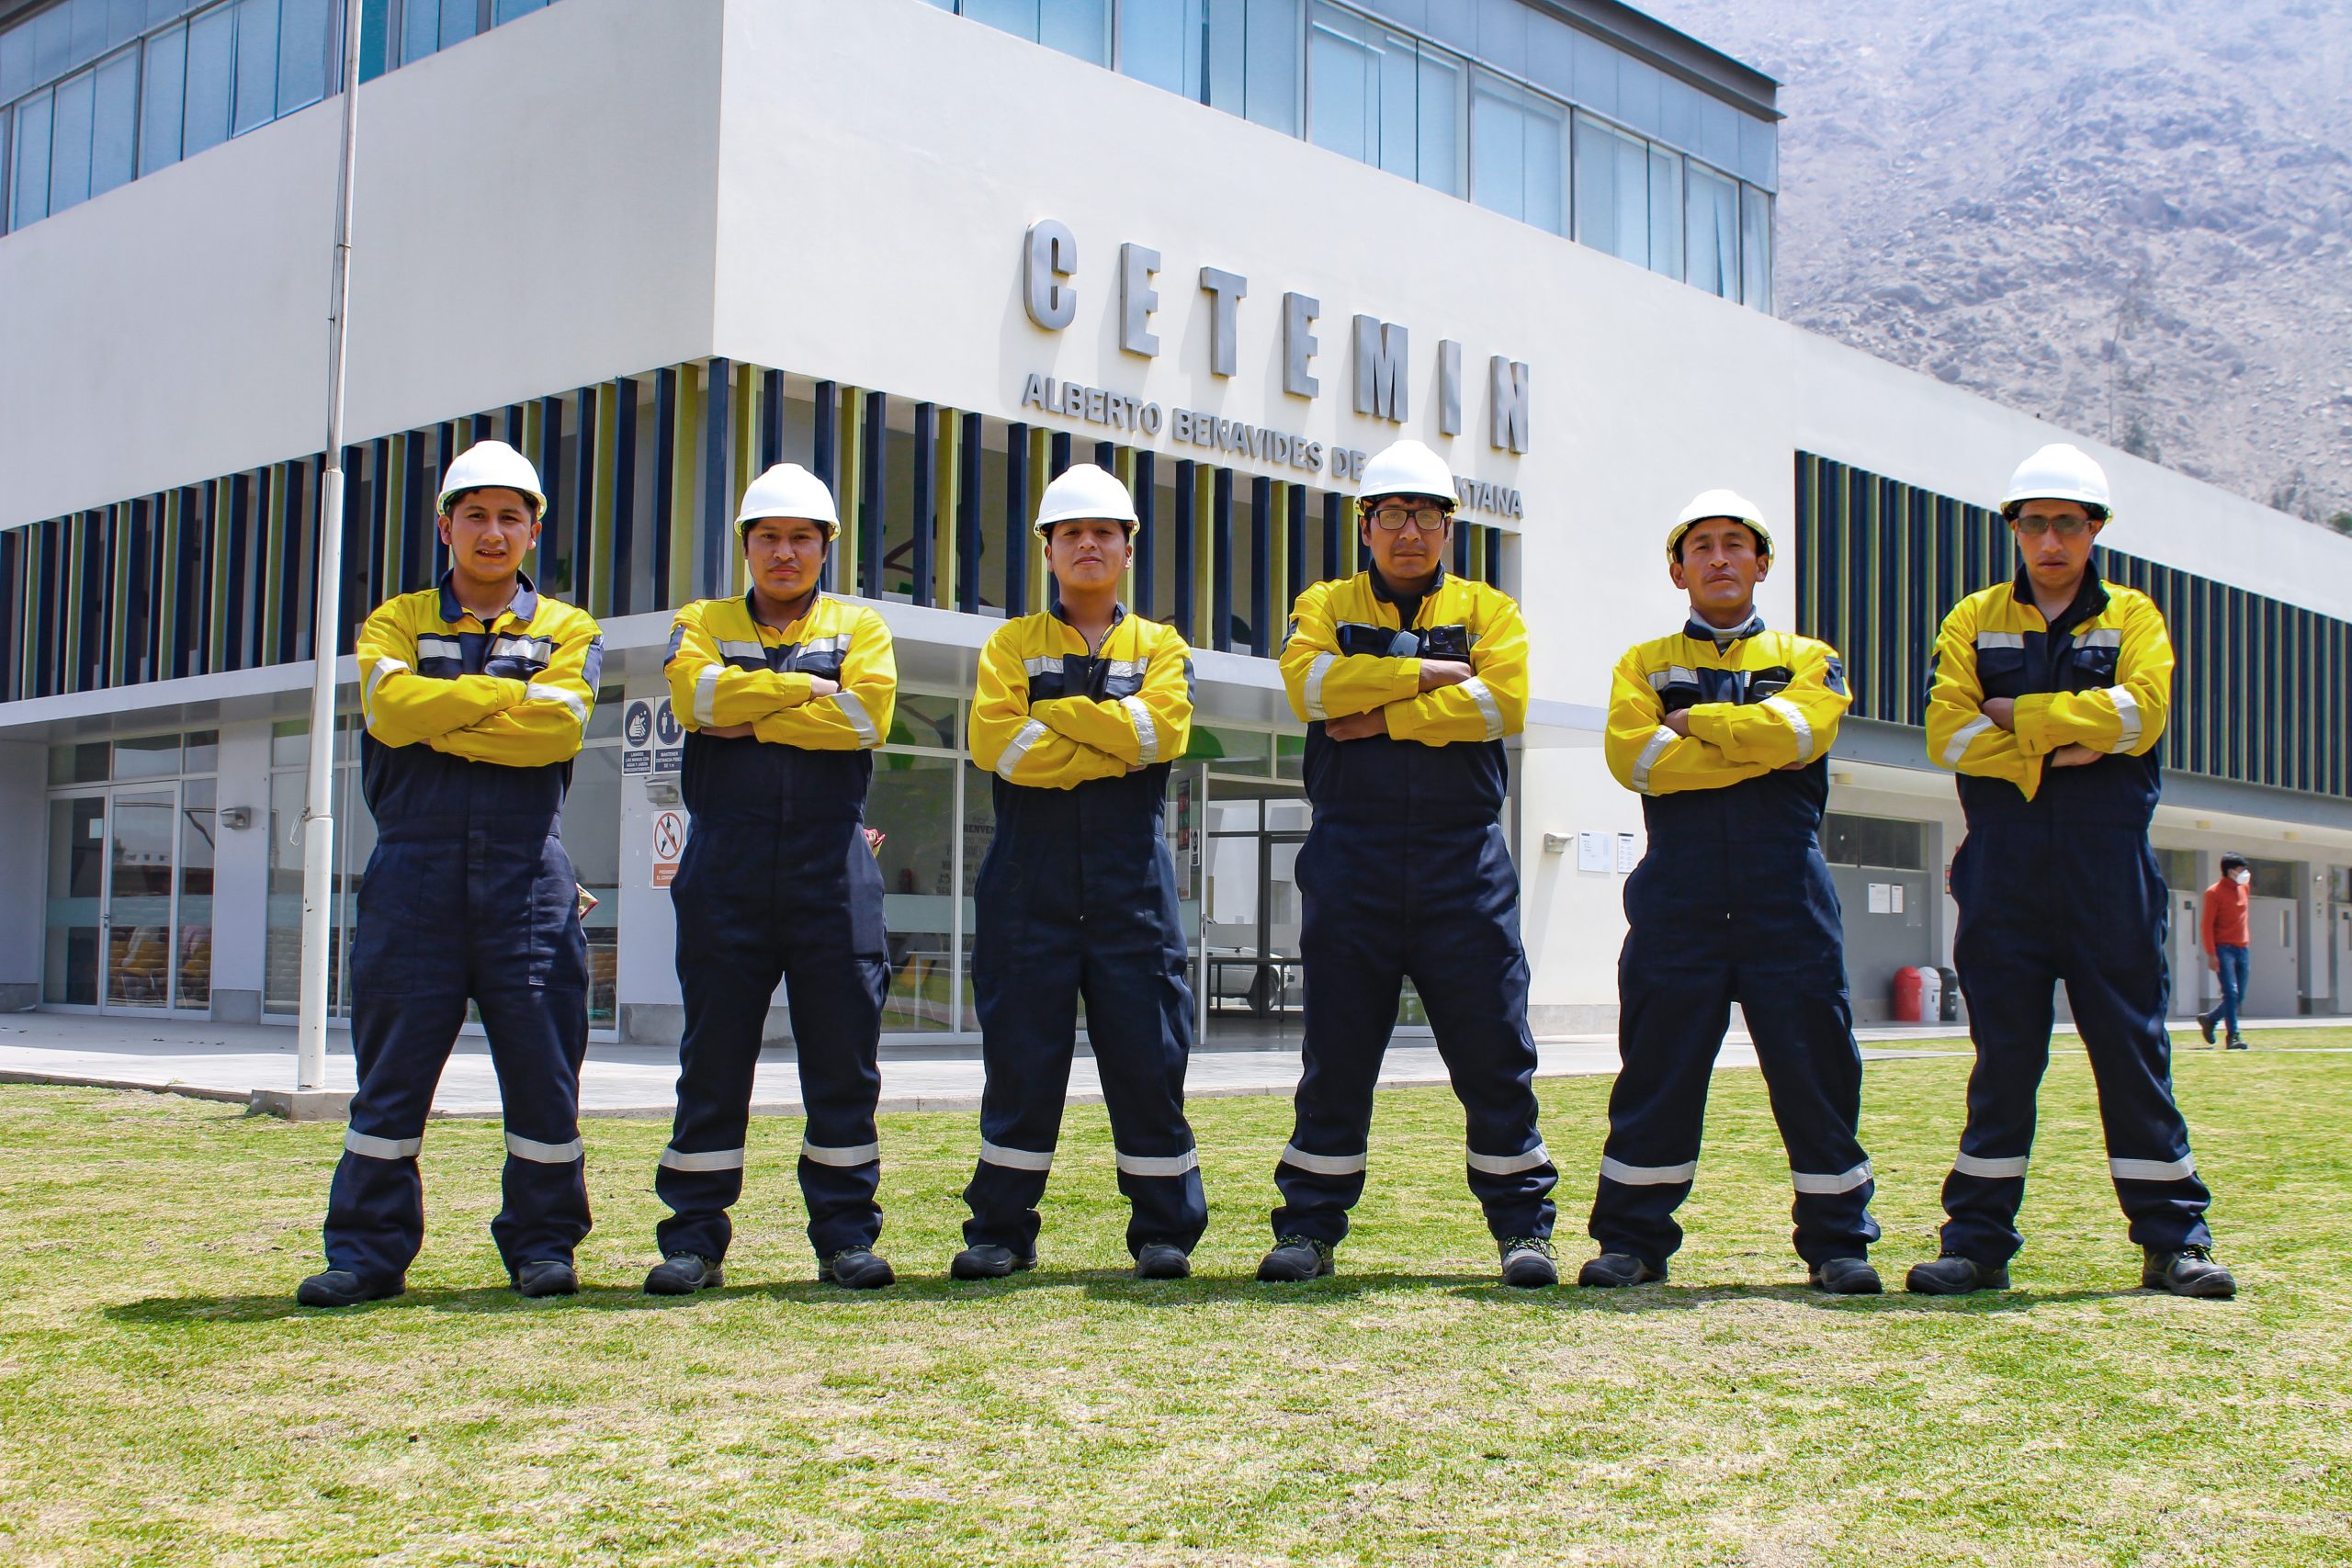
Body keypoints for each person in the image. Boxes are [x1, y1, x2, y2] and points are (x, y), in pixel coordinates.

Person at [1913, 442, 2235, 1299]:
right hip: (2003, 870)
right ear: (2013, 529)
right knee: (2003, 1059)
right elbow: (1947, 732)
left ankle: (2177, 1241)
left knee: (2132, 1049)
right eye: (2033, 522)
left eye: (2067, 522)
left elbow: (2141, 716)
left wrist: (2015, 716)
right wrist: (2067, 740)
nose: (2049, 538)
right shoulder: (1972, 618)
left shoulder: (2134, 616)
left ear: (2095, 529)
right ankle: (1976, 1245)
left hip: (2107, 869)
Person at [299, 440, 604, 1307]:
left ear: (534, 531)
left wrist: (441, 714)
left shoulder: (568, 629)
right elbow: (388, 713)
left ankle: (544, 1246)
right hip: (414, 872)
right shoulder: (392, 621)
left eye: (512, 516)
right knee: (391, 1079)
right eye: (476, 514)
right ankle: (365, 1255)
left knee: (543, 1077)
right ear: (446, 525)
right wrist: (506, 698)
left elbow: (556, 733)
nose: (493, 531)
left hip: (526, 878)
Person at [1259, 439, 1559, 1288]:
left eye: (1427, 515)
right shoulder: (1322, 603)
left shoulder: (1490, 609)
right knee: (1339, 1048)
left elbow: (1502, 702)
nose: (1409, 531)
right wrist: (1428, 673)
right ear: (1365, 525)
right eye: (1392, 514)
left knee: (1495, 1044)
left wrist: (1382, 714)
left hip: (1462, 856)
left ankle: (1523, 1229)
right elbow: (1311, 690)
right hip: (1349, 852)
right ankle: (1308, 1227)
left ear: (1448, 527)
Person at [1584, 491, 1882, 1293]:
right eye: (1701, 546)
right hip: (1676, 892)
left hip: (1787, 889)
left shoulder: (1809, 657)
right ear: (1677, 569)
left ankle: (1839, 1244)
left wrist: (1691, 724)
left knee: (1817, 1068)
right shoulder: (1641, 664)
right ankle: (1631, 1240)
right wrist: (1753, 740)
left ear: (1762, 562)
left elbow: (1801, 735)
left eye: (1735, 544)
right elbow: (1637, 763)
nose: (1719, 557)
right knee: (1657, 1069)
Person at [645, 464, 899, 1294]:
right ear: (746, 546)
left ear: (826, 546)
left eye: (800, 538)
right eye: (768, 538)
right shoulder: (701, 620)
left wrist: (750, 702)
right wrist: (805, 693)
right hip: (728, 864)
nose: (783, 552)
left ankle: (845, 1237)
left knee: (843, 1062)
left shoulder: (861, 624)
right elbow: (695, 699)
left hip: (832, 867)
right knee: (712, 1058)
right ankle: (692, 1241)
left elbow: (865, 717)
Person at [956, 463, 1205, 1280]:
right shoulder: (1009, 645)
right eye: (1072, 533)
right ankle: (999, 1230)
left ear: (1128, 549)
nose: (1088, 544)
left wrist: (1054, 720)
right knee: (1021, 1061)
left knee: (1148, 1057)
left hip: (1132, 886)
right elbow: (999, 747)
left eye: (1104, 532)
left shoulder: (1161, 646)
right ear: (1049, 551)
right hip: (1028, 886)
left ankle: (1165, 1231)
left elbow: (1158, 735)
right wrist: (1109, 734)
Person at [2197, 854, 2253, 1051]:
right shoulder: (2213, 893)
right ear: (2230, 871)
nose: (2245, 874)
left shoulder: (2244, 888)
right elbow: (2206, 926)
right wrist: (2211, 953)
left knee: (2239, 996)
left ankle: (2210, 1019)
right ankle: (2233, 1036)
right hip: (2223, 949)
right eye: (2241, 869)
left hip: (2243, 948)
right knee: (2231, 993)